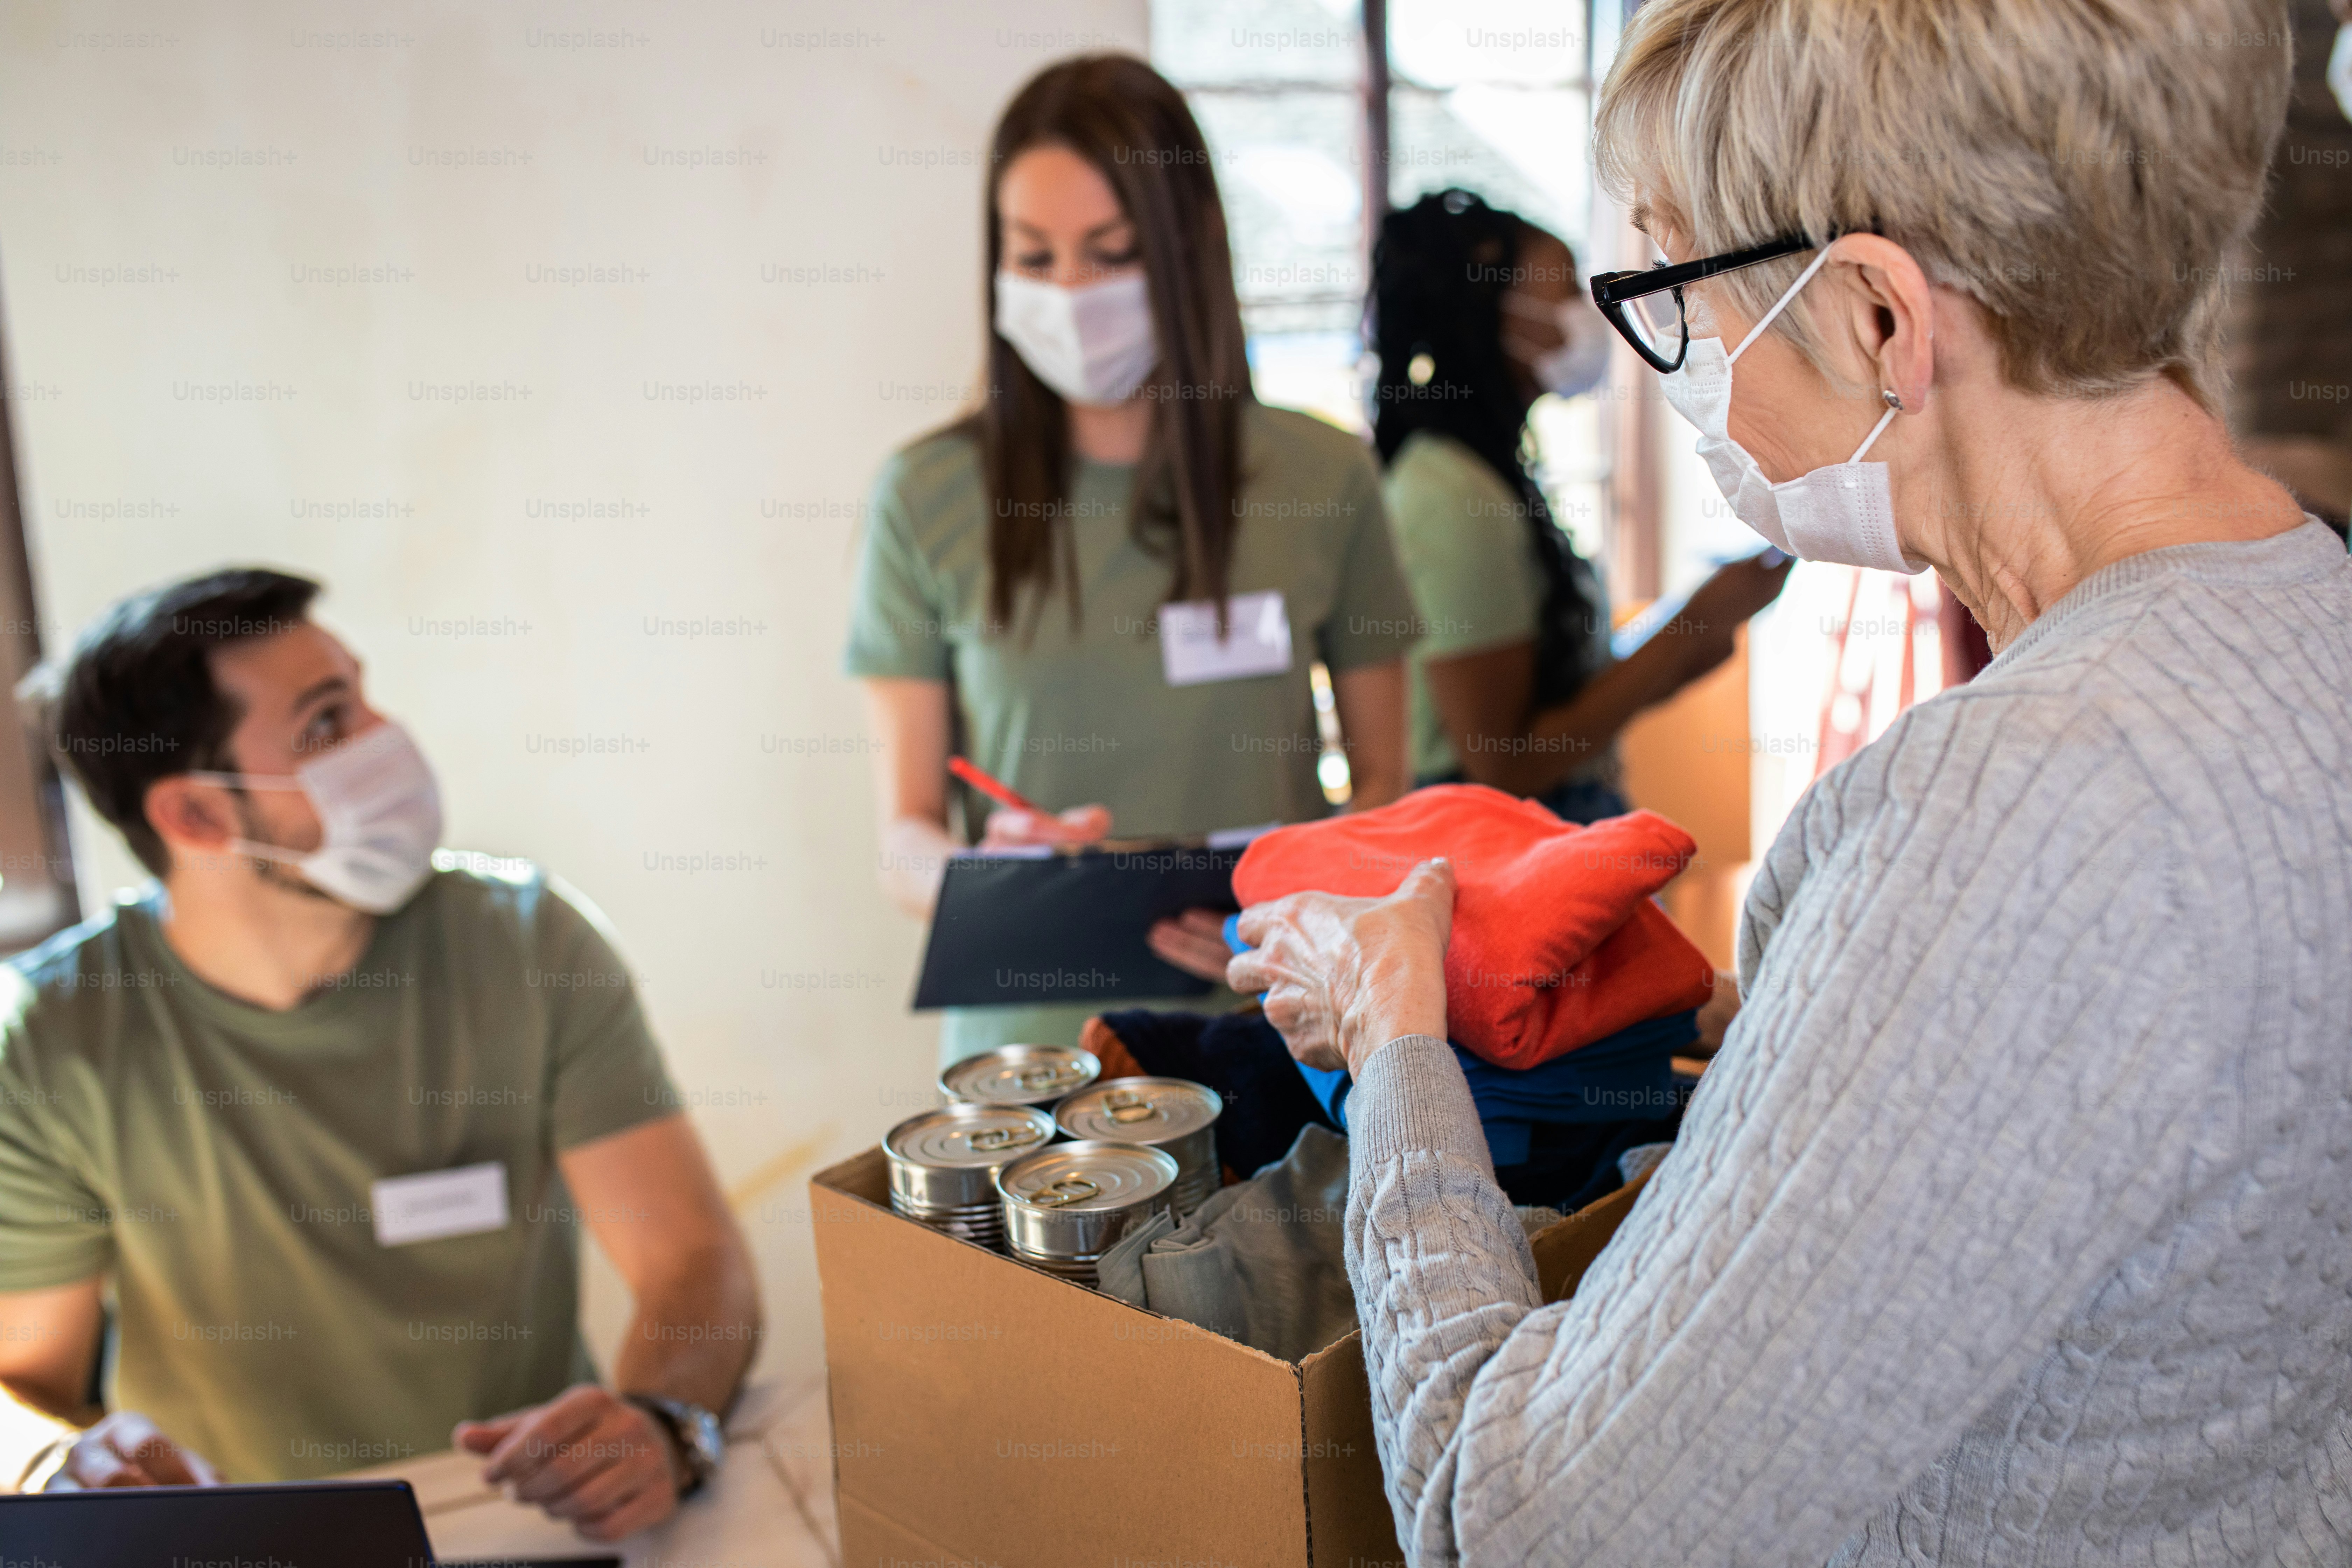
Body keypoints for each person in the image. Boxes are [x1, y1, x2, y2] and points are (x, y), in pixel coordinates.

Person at [1231, 1, 2351, 1562]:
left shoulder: (2009, 812)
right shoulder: (2313, 607)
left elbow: (1535, 1531)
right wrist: (1798, 1023)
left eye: (1681, 304)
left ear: (1881, 318)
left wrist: (1396, 1043)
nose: (1672, 376)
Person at [0, 570, 759, 1544]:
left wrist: (665, 1421)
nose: (386, 741)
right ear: (196, 817)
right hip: (238, 1548)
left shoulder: (528, 945)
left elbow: (692, 1259)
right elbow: (24, 1379)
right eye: (325, 725)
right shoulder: (50, 1036)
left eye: (361, 697)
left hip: (527, 1528)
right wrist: (61, 1460)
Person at [847, 54, 1418, 1068]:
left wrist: (1286, 900)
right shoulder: (926, 495)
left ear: (1187, 253)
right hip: (1027, 1069)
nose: (1071, 294)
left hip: (1280, 1036)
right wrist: (986, 879)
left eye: (1110, 255)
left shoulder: (1324, 477)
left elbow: (1385, 786)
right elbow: (904, 839)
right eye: (1034, 257)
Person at [1371, 189, 1792, 824]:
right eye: (1565, 290)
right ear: (1493, 312)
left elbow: (1559, 694)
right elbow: (1504, 762)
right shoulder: (1449, 494)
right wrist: (1692, 629)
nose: (1586, 311)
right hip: (1506, 849)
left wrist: (1692, 632)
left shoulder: (1491, 466)